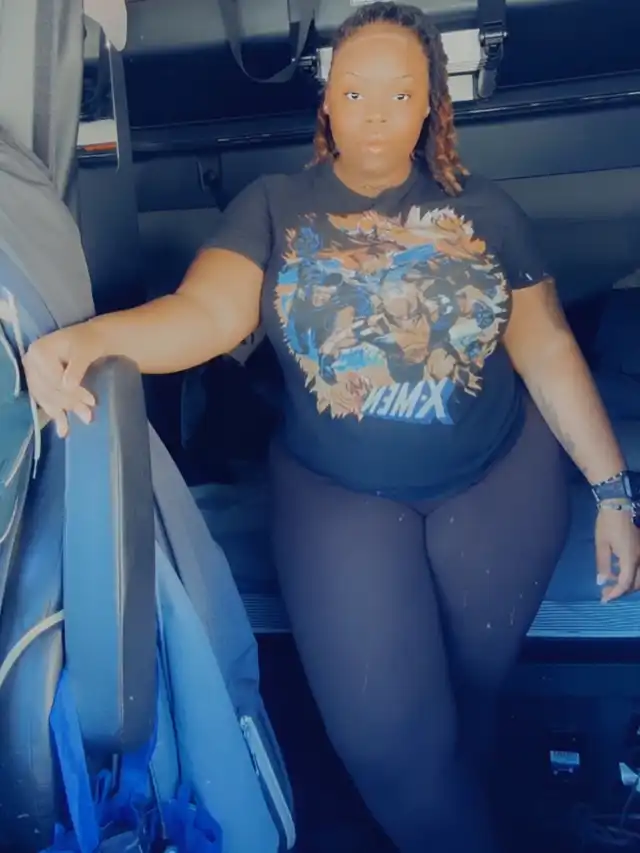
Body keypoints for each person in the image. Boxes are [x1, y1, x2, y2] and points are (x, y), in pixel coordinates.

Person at [24, 3, 640, 851]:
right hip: (339, 493)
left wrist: (613, 493)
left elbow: (549, 349)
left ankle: (475, 802)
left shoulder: (487, 211)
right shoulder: (276, 205)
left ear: (431, 107)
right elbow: (206, 313)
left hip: (501, 481)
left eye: (400, 94)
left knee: (469, 700)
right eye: (355, 92)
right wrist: (93, 339)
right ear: (327, 101)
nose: (376, 113)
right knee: (392, 749)